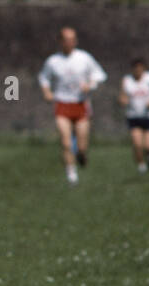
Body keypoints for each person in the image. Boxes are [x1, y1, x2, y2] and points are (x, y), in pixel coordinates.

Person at [38, 26, 107, 184]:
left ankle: (82, 154)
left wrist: (90, 84)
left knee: (81, 145)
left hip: (81, 104)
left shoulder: (84, 58)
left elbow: (100, 74)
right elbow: (43, 78)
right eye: (66, 39)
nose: (69, 42)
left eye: (72, 39)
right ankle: (71, 173)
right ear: (60, 41)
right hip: (62, 104)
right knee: (66, 142)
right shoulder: (53, 61)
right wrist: (47, 92)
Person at [119, 57, 149, 173]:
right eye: (135, 69)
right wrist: (123, 100)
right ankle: (141, 165)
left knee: (148, 145)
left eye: (140, 69)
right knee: (137, 144)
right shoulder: (127, 80)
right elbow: (122, 96)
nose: (138, 71)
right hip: (133, 116)